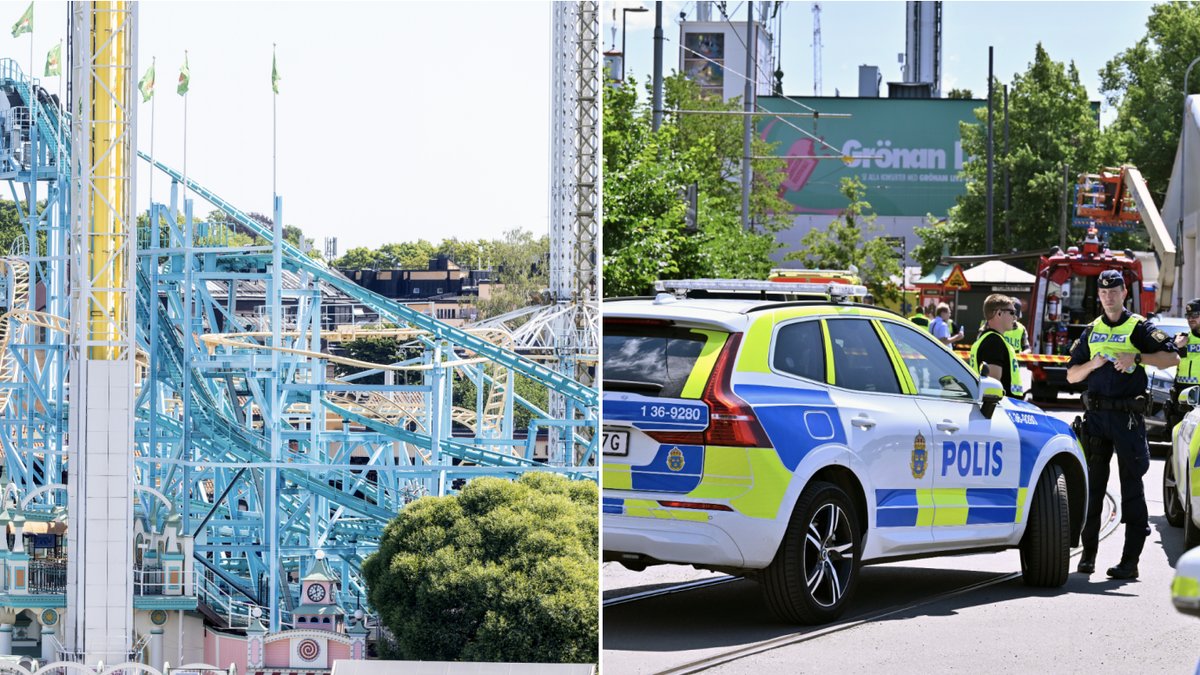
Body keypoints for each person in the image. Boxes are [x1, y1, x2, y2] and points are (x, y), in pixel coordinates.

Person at [1066, 269, 1179, 579]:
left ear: (1124, 293)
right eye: (1103, 292)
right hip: (1097, 418)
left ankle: (1130, 562)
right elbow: (1072, 375)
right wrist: (1093, 364)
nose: (1108, 296)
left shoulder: (1139, 327)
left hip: (1127, 418)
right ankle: (1087, 555)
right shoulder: (1092, 330)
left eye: (1114, 291)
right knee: (1093, 487)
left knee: (1132, 488)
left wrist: (1136, 358)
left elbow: (1173, 359)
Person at [970, 295, 1023, 397]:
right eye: (1012, 312)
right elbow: (993, 387)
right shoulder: (993, 342)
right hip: (1002, 408)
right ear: (999, 313)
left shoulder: (988, 339)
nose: (1015, 317)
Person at [1168, 299, 1200, 430]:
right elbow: (1160, 355)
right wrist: (1175, 345)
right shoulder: (1181, 338)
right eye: (1188, 316)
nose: (1191, 319)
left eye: (1195, 315)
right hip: (1181, 397)